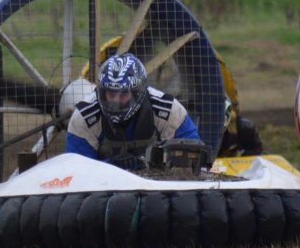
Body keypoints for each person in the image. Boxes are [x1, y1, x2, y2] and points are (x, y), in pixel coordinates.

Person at [66, 53, 201, 169]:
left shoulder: (169, 112)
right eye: (111, 94)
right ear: (101, 92)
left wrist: (151, 164)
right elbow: (77, 172)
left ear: (138, 93)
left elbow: (192, 160)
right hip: (103, 189)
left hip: (157, 188)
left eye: (123, 94)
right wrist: (113, 166)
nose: (115, 101)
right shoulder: (84, 118)